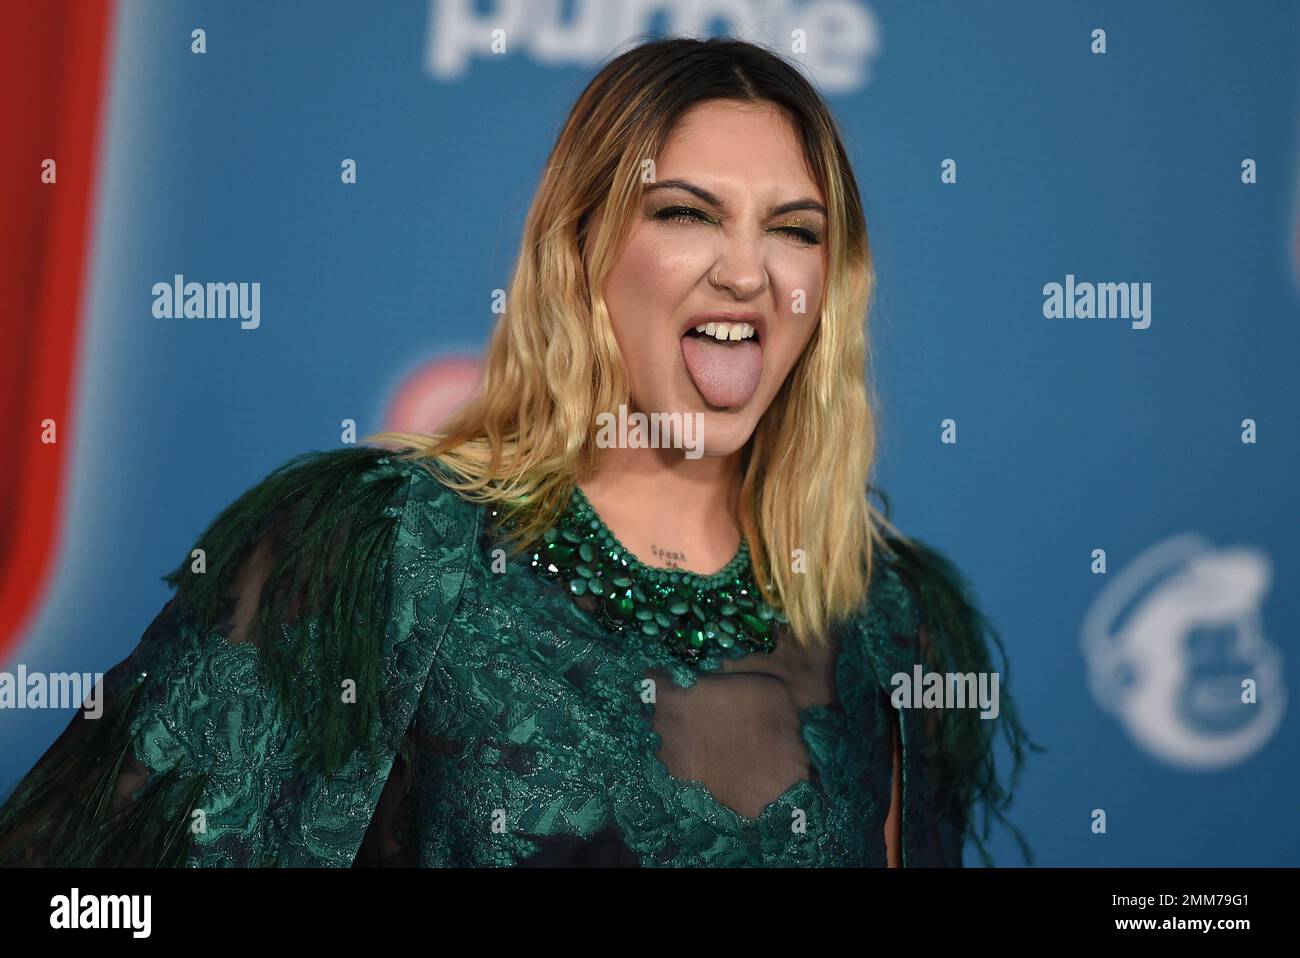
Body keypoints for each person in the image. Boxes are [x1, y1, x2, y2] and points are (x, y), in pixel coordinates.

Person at [0, 36, 1034, 867]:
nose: (746, 271)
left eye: (794, 230)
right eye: (686, 214)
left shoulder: (886, 617)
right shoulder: (381, 547)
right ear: (582, 251)